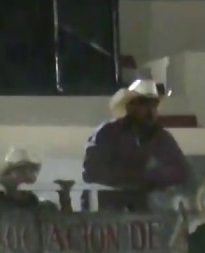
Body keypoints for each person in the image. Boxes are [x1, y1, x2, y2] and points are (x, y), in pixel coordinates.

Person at [81, 78, 191, 212]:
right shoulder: (107, 133)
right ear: (130, 107)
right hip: (106, 206)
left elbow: (181, 171)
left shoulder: (160, 136)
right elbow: (91, 171)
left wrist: (151, 177)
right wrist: (131, 178)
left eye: (154, 105)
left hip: (140, 207)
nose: (150, 111)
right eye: (144, 104)